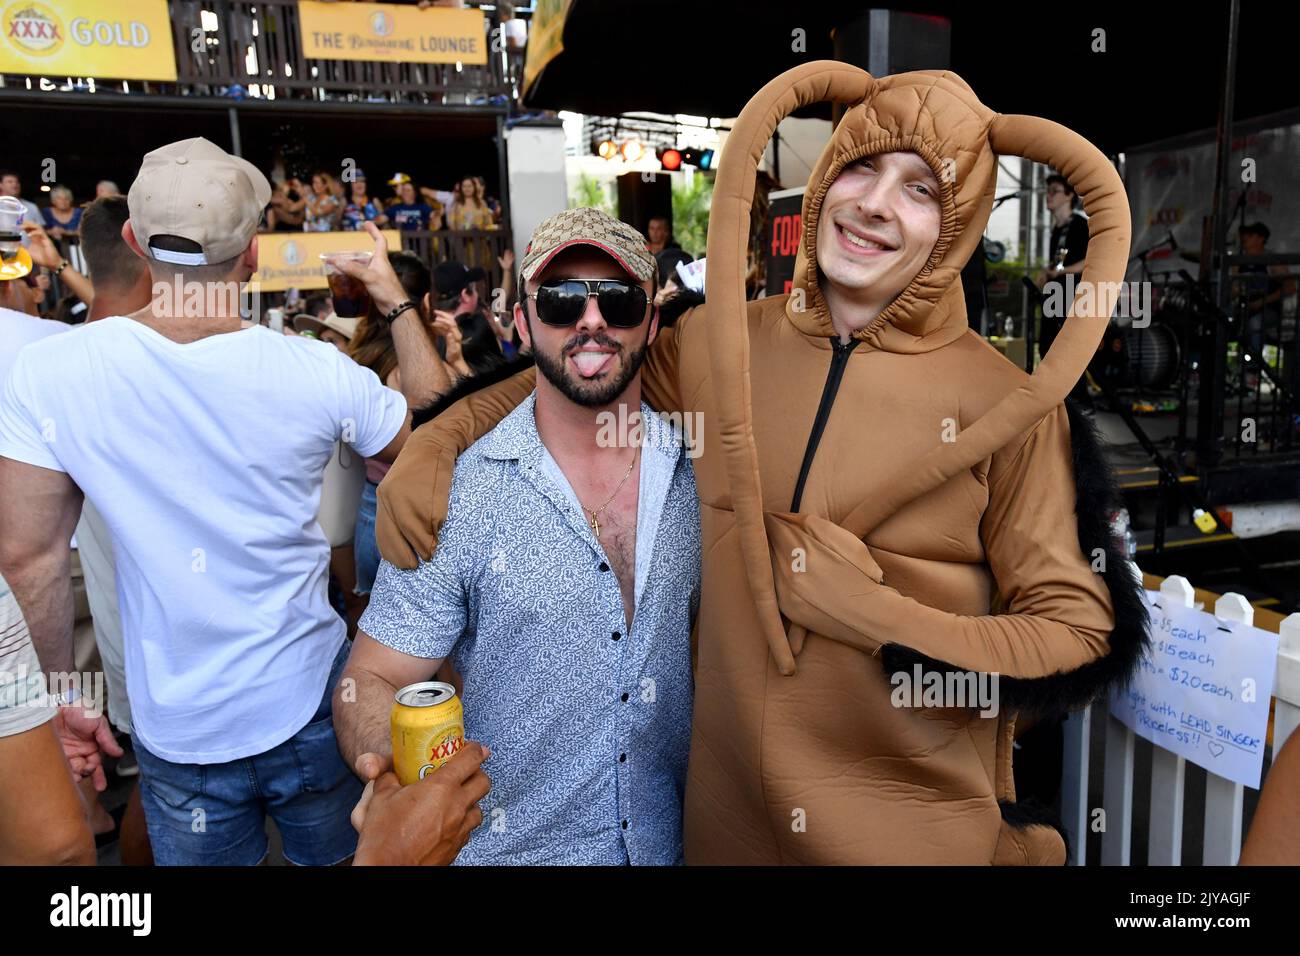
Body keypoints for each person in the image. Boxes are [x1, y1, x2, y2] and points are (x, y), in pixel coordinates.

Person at [374, 65, 1147, 865]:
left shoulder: (1013, 405)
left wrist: (882, 617)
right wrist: (439, 438)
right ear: (823, 182)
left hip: (912, 838)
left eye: (923, 190)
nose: (876, 204)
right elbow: (589, 369)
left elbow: (1079, 633)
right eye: (860, 167)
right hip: (723, 831)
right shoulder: (716, 342)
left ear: (957, 226)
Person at [0, 137, 428, 867]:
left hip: (178, 728)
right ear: (253, 252)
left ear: (134, 241)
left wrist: (60, 702)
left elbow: (29, 560)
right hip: (313, 702)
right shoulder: (318, 371)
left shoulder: (50, 374)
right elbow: (429, 452)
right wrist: (395, 302)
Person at [335, 207, 701, 865]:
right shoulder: (458, 493)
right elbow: (370, 678)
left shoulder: (704, 475)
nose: (592, 320)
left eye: (618, 300)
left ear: (650, 320)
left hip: (667, 848)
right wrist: (395, 778)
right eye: (561, 301)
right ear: (523, 325)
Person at [66, 195, 158, 865]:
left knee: (157, 798)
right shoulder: (165, 359)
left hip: (131, 648)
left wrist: (55, 691)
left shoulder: (49, 367)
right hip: (203, 656)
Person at [347, 252, 454, 601]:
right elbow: (437, 420)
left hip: (367, 510)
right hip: (414, 521)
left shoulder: (358, 361)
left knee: (368, 632)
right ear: (425, 301)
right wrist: (457, 366)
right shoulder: (417, 373)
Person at [0, 169, 42, 246]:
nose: (15, 184)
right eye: (10, 182)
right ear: (1, 185)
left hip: (30, 255)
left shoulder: (32, 207)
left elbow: (41, 232)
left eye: (17, 182)